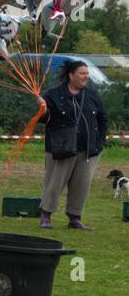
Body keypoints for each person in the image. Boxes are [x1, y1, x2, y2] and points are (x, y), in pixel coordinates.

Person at [40, 59, 108, 231]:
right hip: (61, 148)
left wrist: (100, 142)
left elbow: (102, 119)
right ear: (71, 75)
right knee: (54, 183)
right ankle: (46, 215)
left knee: (81, 185)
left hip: (88, 150)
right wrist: (42, 109)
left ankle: (74, 218)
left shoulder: (92, 95)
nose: (86, 76)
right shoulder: (53, 95)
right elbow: (44, 120)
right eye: (82, 73)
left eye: (87, 73)